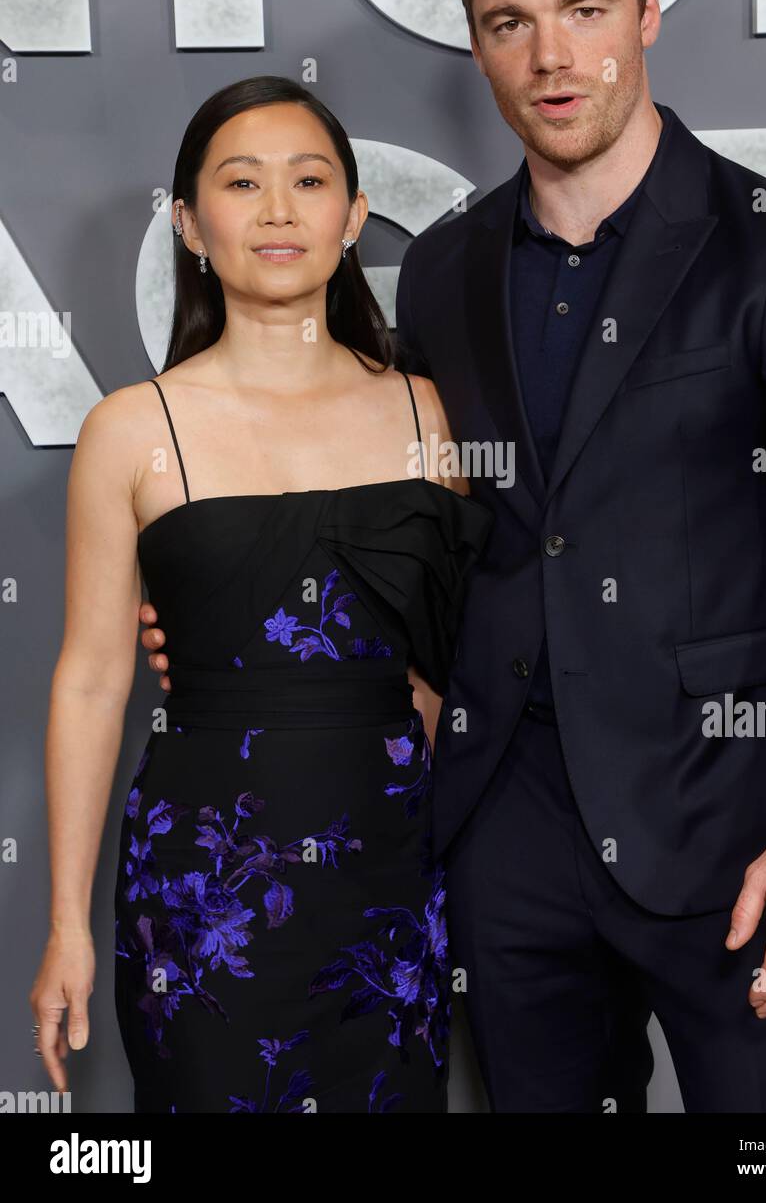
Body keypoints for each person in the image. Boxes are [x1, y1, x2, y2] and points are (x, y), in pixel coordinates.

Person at [141, 0, 766, 1113]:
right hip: (506, 839)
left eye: (585, 11)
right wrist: (224, 617)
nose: (552, 56)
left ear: (648, 12)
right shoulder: (445, 268)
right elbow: (400, 513)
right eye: (512, 22)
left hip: (733, 834)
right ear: (478, 41)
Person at [30, 75, 493, 1113]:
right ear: (192, 224)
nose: (279, 209)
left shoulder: (427, 412)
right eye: (243, 183)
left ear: (354, 216)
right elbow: (95, 680)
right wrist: (68, 923)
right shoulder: (130, 429)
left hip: (384, 882)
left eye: (310, 180)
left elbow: (442, 657)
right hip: (203, 893)